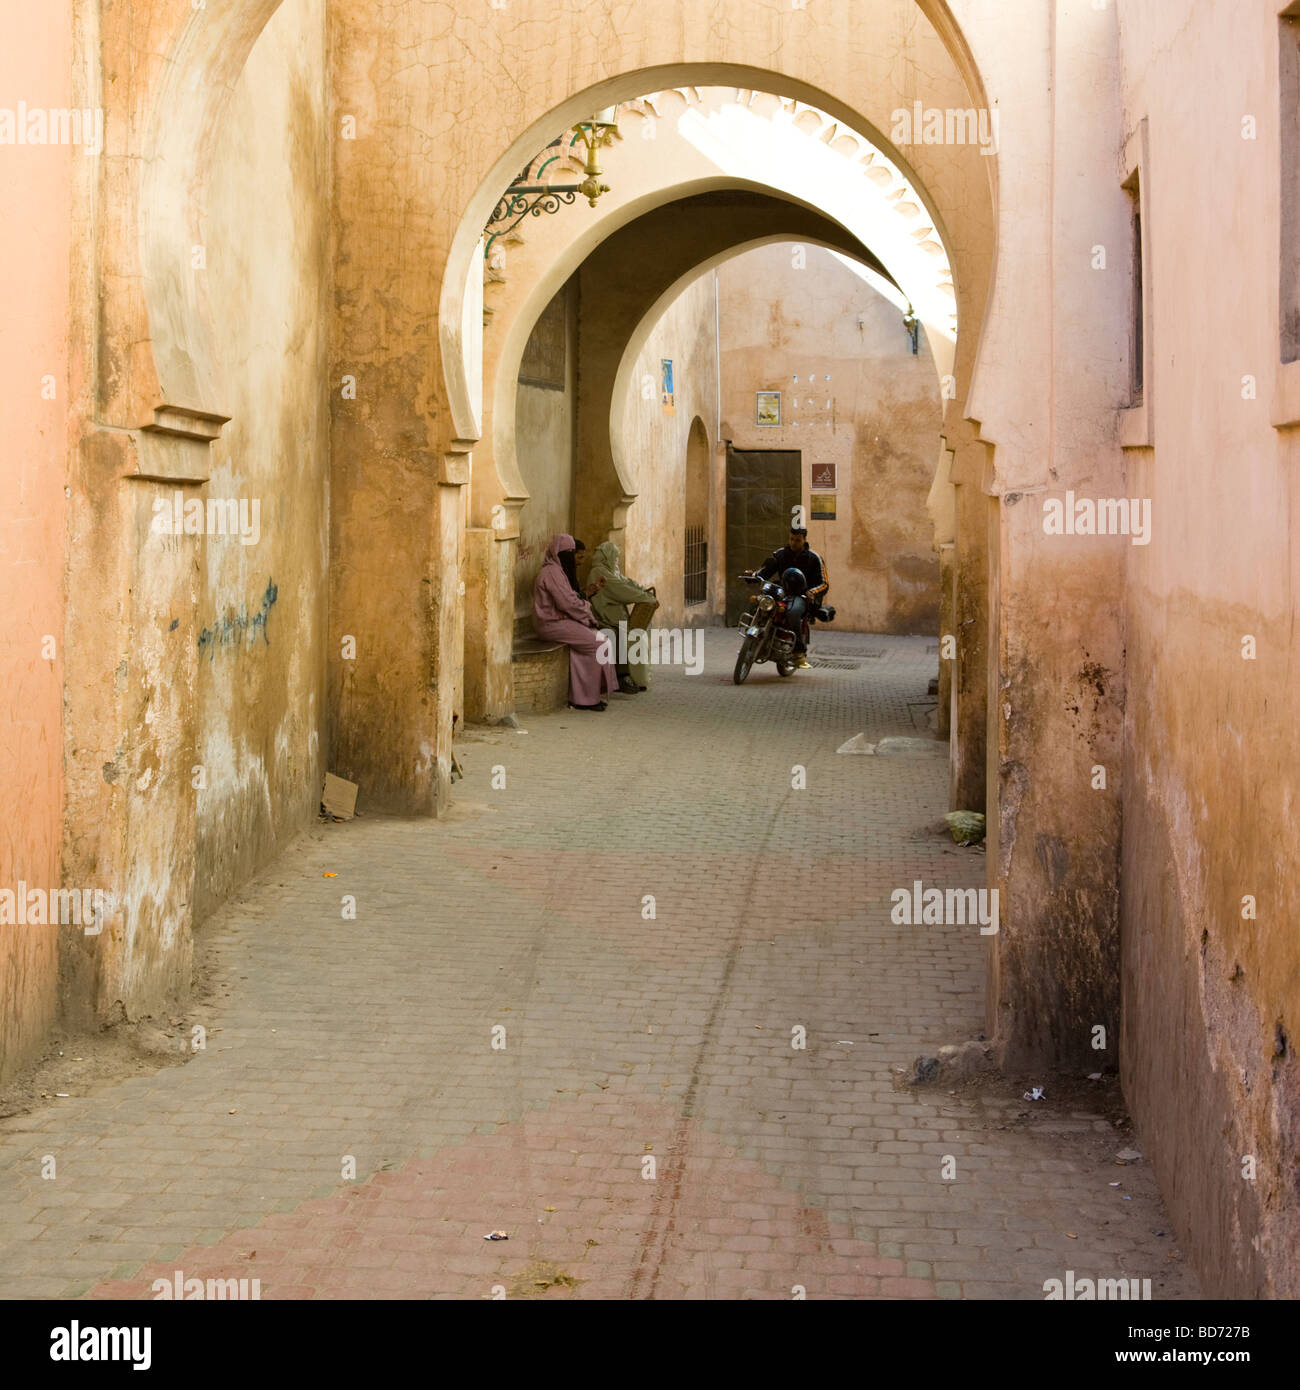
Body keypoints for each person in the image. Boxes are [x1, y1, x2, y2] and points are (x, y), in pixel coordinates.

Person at [533, 534, 618, 711]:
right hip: (552, 624)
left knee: (601, 640)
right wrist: (587, 616)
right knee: (598, 644)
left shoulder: (559, 571)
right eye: (567, 552)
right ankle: (585, 699)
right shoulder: (552, 572)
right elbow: (567, 603)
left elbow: (572, 598)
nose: (570, 555)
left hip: (563, 621)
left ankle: (588, 694)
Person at [746, 526, 829, 667]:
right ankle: (753, 638)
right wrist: (753, 575)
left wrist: (811, 593)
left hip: (800, 595)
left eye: (797, 540)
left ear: (804, 540)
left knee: (793, 612)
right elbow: (764, 572)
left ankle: (799, 652)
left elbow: (824, 583)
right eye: (791, 539)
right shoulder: (780, 554)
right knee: (759, 602)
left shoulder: (814, 558)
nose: (793, 543)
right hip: (780, 590)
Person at [587, 541, 659, 693]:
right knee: (631, 639)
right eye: (616, 557)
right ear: (608, 555)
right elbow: (620, 589)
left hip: (617, 616)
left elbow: (626, 582)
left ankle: (638, 679)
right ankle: (626, 678)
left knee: (638, 636)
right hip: (605, 616)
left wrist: (643, 592)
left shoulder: (610, 570)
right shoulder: (599, 571)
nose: (617, 560)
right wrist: (644, 597)